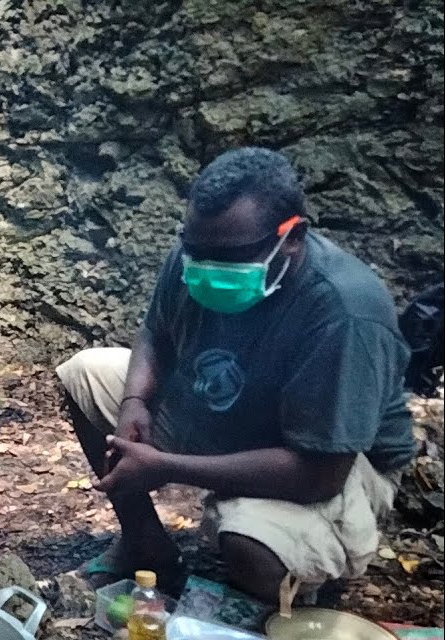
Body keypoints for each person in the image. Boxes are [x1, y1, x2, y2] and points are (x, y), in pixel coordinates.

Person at [57, 147, 416, 604]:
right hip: (227, 411)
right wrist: (135, 404)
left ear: (292, 237)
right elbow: (156, 331)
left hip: (333, 460)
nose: (208, 267)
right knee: (85, 373)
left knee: (249, 545)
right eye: (196, 250)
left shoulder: (345, 311)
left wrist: (168, 466)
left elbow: (320, 472)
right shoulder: (202, 248)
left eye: (232, 255)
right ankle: (145, 546)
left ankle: (298, 593)